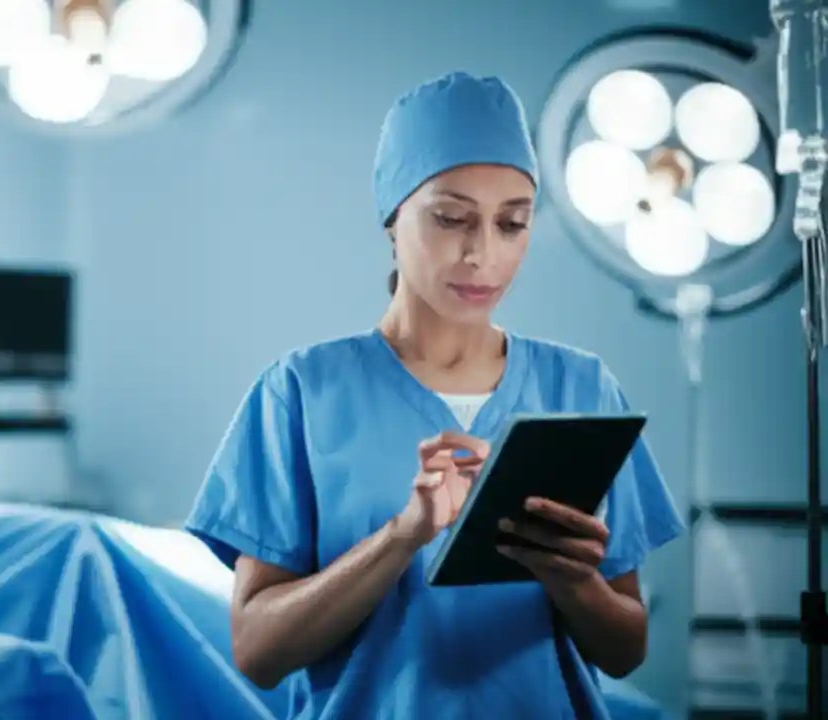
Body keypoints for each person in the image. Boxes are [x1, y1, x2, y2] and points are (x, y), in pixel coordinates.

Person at [183, 71, 685, 720]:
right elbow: (258, 650)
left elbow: (625, 651)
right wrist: (403, 537)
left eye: (513, 223)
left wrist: (574, 581)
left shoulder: (581, 389)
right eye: (451, 218)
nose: (483, 254)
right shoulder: (303, 392)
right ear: (393, 219)